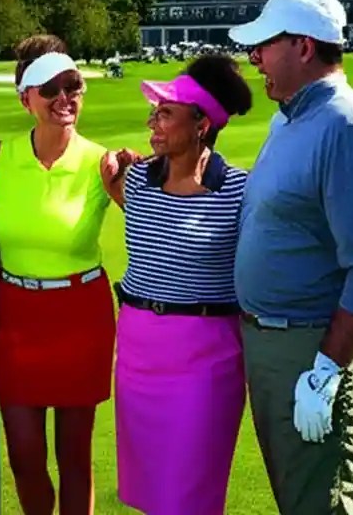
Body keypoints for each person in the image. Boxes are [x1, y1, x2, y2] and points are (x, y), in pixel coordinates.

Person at [226, 0, 353, 515]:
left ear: (303, 47)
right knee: (295, 496)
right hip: (273, 344)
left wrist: (325, 373)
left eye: (264, 45)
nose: (253, 58)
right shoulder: (290, 117)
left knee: (319, 504)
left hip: (312, 351)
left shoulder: (346, 124)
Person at [0, 34, 127, 515]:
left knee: (74, 454)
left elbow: (150, 222)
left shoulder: (100, 162)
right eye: (49, 89)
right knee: (25, 455)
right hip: (18, 315)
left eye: (72, 86)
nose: (63, 98)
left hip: (80, 314)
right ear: (25, 98)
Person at [101, 54, 254, 515]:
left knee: (190, 494)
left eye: (166, 113)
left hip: (205, 359)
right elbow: (152, 232)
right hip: (137, 351)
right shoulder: (138, 181)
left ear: (202, 123)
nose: (153, 121)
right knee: (149, 491)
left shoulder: (241, 192)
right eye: (155, 112)